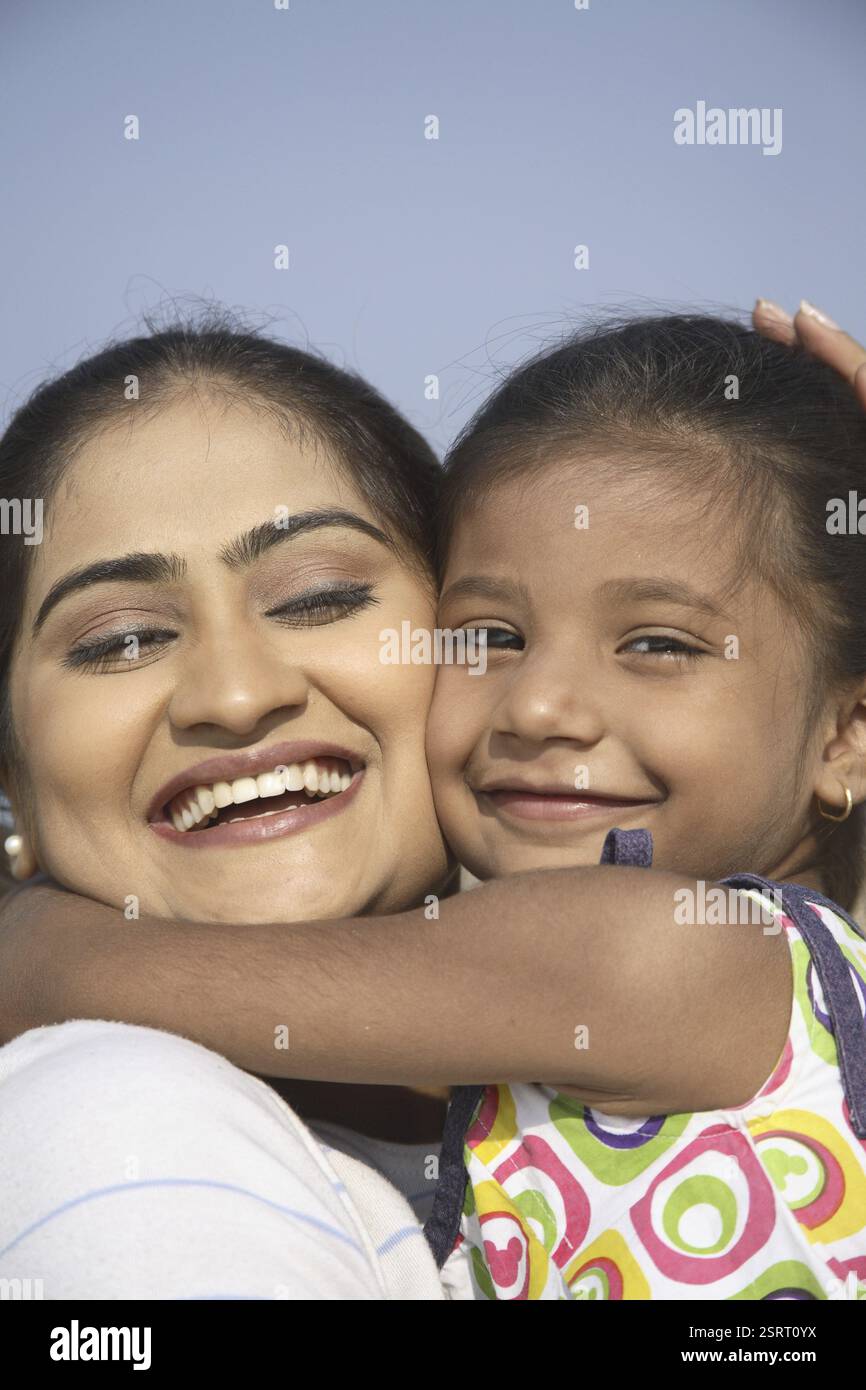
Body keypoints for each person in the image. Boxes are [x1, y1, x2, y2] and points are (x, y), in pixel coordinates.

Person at [3, 301, 865, 1302]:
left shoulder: (672, 947)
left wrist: (33, 946)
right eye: (490, 635)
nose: (539, 705)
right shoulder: (101, 1132)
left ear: (843, 736)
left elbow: (98, 979)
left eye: (319, 595)